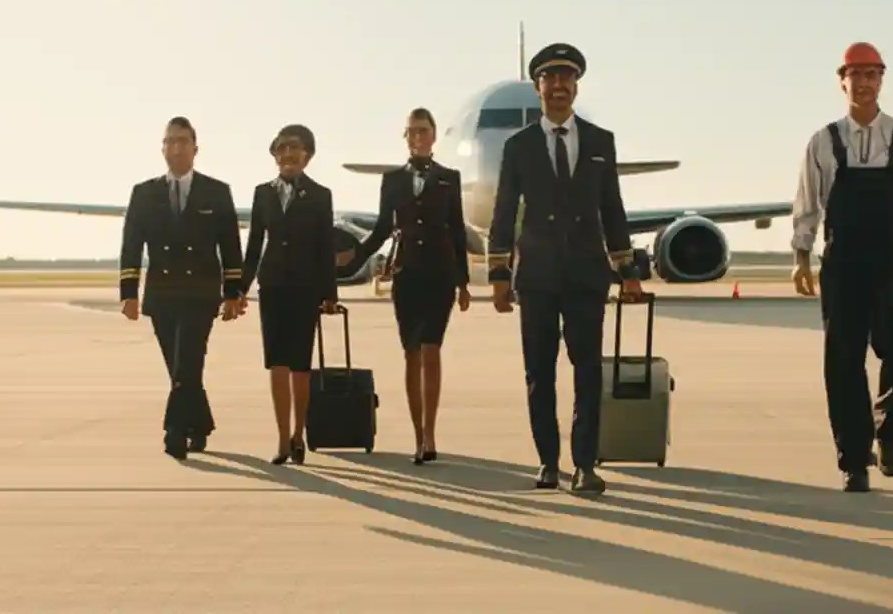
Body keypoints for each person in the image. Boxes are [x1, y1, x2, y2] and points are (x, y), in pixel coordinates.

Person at [487, 42, 645, 494]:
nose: (559, 87)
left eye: (566, 79)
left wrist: (627, 268)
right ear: (539, 87)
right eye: (550, 79)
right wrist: (500, 275)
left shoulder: (599, 142)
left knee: (587, 371)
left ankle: (585, 464)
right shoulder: (518, 147)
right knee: (539, 372)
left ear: (576, 86)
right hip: (536, 276)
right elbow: (503, 211)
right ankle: (547, 462)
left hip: (585, 274)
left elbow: (612, 208)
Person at [790, 42, 893, 492]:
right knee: (843, 360)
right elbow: (807, 202)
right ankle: (854, 461)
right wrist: (801, 254)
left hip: (891, 258)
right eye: (854, 75)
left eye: (871, 74)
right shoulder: (824, 140)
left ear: (882, 80)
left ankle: (887, 429)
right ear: (842, 81)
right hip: (842, 260)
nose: (862, 83)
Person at [339, 107, 471, 465]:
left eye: (423, 130)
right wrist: (354, 257)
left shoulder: (449, 178)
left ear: (433, 136)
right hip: (407, 274)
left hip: (440, 274)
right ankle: (418, 436)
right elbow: (383, 228)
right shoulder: (393, 180)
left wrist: (463, 282)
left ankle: (430, 434)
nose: (417, 137)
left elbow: (456, 229)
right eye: (411, 131)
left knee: (431, 349)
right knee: (411, 353)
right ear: (406, 137)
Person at [118, 116, 244, 461]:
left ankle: (174, 431)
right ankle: (200, 423)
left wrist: (234, 292)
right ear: (162, 148)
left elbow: (231, 246)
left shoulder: (216, 192)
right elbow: (131, 244)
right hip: (162, 292)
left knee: (188, 360)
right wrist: (129, 292)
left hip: (200, 293)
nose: (176, 147)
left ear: (195, 148)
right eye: (169, 141)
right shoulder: (144, 193)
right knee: (179, 368)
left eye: (182, 141)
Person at [239, 124, 340, 465]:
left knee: (300, 365)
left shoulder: (320, 195)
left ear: (307, 155)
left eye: (295, 148)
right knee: (276, 364)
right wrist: (239, 288)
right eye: (281, 149)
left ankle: (300, 433)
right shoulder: (263, 193)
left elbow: (325, 246)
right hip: (272, 286)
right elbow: (254, 244)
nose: (288, 154)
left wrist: (329, 293)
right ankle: (282, 438)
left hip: (305, 288)